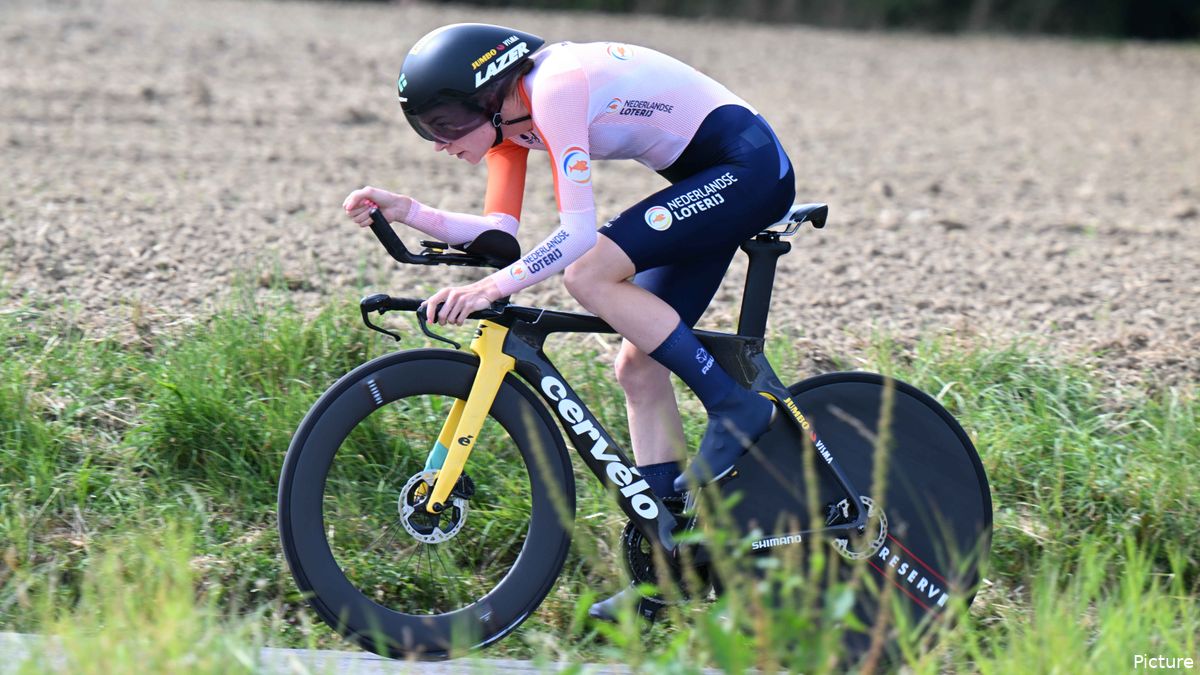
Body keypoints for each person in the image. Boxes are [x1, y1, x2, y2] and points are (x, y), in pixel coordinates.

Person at [342, 23, 795, 621]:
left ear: (488, 95)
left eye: (446, 124)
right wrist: (409, 211)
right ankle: (671, 568)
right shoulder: (509, 126)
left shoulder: (554, 85)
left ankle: (737, 409)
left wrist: (489, 289)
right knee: (637, 367)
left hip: (750, 170)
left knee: (587, 273)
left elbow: (578, 235)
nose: (437, 142)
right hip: (708, 183)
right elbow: (498, 237)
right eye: (426, 128)